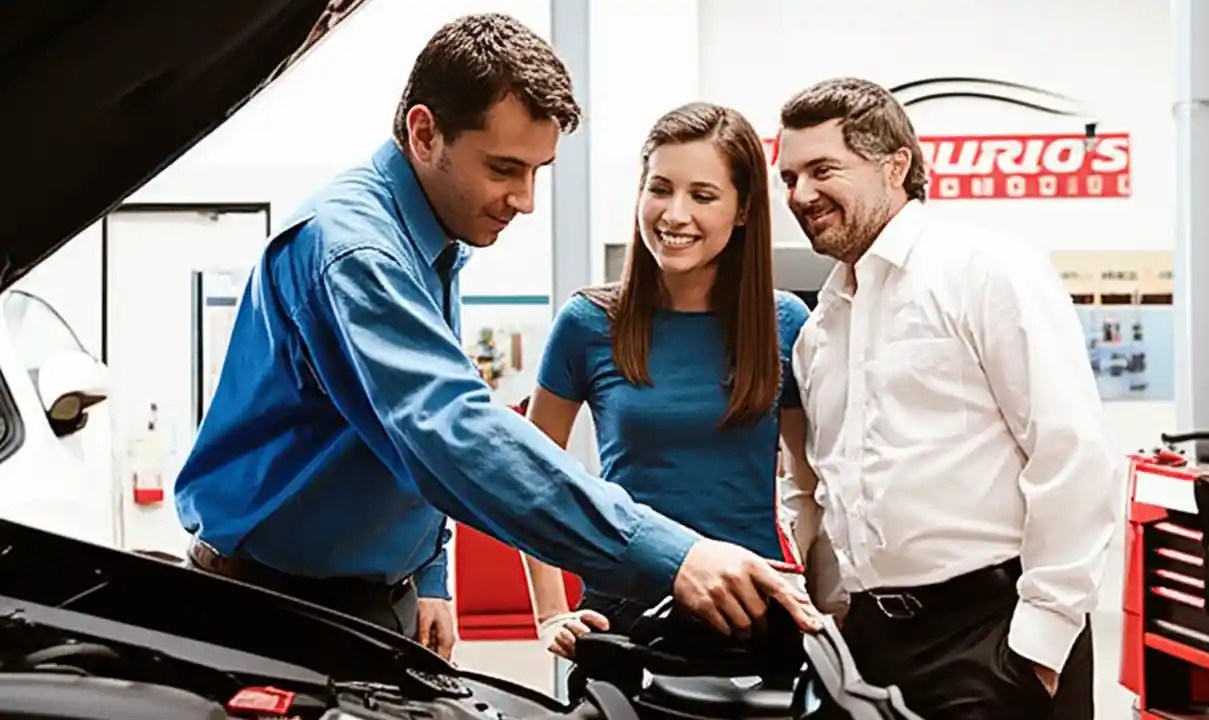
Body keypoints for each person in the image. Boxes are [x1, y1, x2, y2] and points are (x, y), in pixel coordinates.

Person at [173, 12, 820, 662]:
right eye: (506, 168)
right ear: (424, 133)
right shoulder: (355, 252)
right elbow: (449, 428)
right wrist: (673, 556)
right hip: (280, 609)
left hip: (373, 598)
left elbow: (392, 439)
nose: (526, 199)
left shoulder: (431, 237)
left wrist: (426, 574)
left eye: (538, 170)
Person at [774, 76, 1120, 719]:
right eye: (789, 176)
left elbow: (1071, 453)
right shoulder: (821, 328)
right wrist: (834, 618)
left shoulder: (986, 271)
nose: (801, 194)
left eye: (823, 169)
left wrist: (1037, 650)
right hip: (870, 642)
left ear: (895, 165)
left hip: (992, 633)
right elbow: (824, 486)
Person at [517, 102, 817, 661]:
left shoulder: (785, 324)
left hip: (754, 611)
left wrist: (816, 591)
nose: (675, 214)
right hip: (623, 613)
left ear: (743, 209)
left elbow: (813, 481)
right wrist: (550, 610)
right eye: (660, 188)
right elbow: (532, 475)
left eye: (703, 196)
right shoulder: (586, 323)